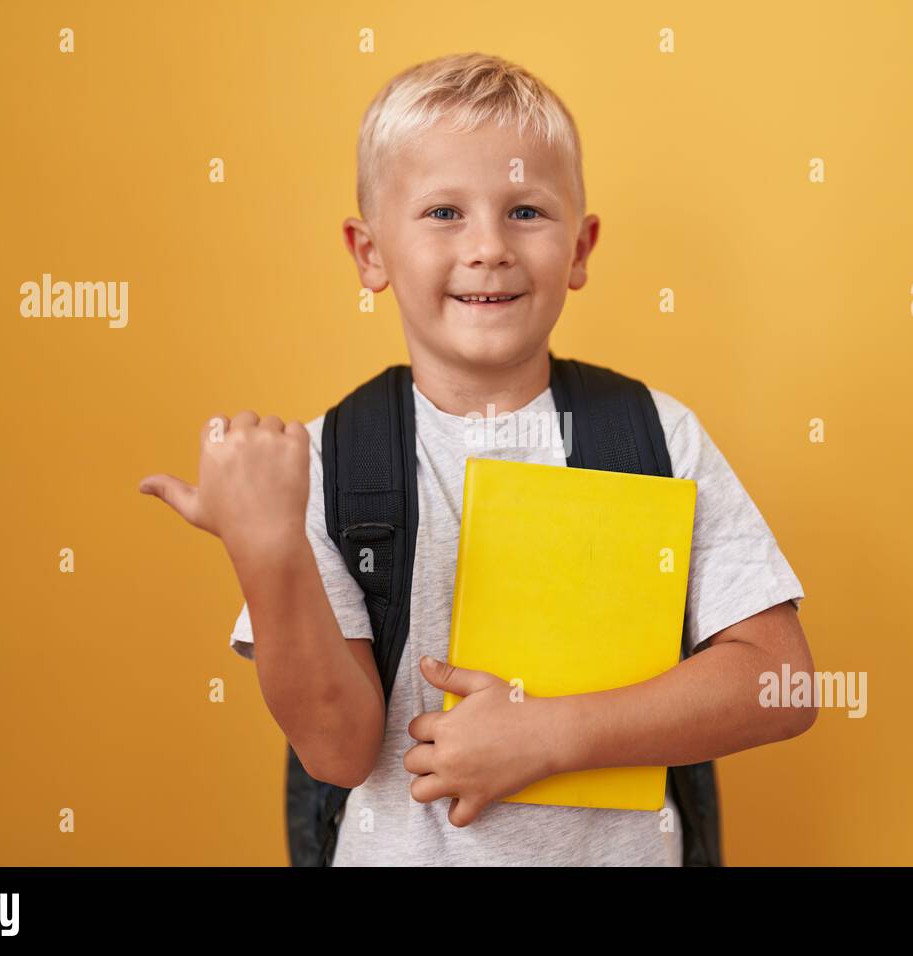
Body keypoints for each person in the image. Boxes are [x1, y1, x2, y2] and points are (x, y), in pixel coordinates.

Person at [139, 51, 814, 866]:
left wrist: (550, 735)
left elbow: (780, 682)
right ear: (369, 253)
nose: (488, 246)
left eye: (526, 211)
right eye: (443, 213)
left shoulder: (654, 437)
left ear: (580, 247)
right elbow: (338, 750)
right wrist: (267, 550)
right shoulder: (319, 464)